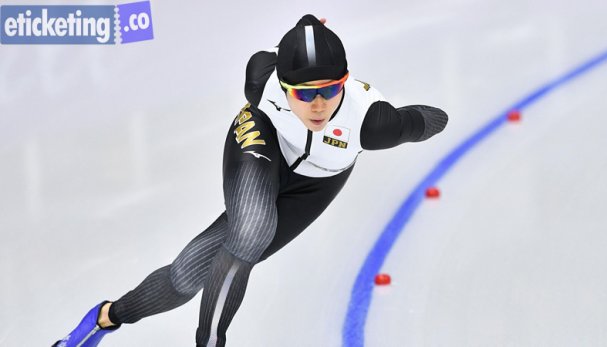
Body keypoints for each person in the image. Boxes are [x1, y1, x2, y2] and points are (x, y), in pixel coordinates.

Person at [52, 14, 448, 347]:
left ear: (343, 82)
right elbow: (271, 57)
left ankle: (105, 317)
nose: (319, 105)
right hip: (263, 139)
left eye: (329, 90)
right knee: (252, 230)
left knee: (184, 277)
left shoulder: (371, 123)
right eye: (304, 94)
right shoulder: (262, 80)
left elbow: (432, 119)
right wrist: (293, 42)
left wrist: (411, 119)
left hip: (317, 183)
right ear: (283, 84)